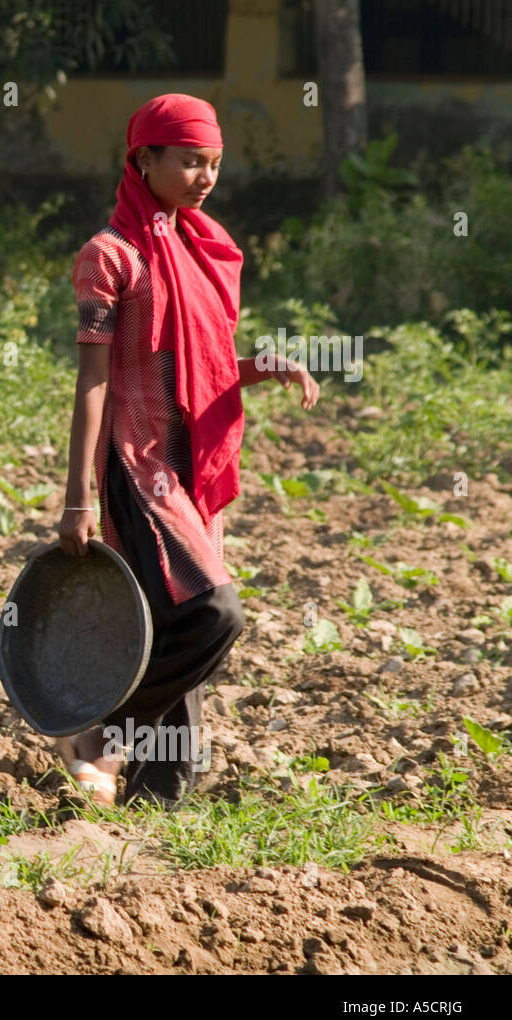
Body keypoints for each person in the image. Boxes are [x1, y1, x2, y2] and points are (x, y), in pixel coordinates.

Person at [56, 93, 319, 807]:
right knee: (212, 614)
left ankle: (157, 797)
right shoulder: (107, 258)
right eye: (190, 161)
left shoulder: (202, 248)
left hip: (189, 468)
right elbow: (94, 383)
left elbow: (204, 364)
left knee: (176, 622)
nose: (205, 176)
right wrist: (78, 495)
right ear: (144, 159)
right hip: (138, 466)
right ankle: (99, 740)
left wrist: (264, 366)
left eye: (214, 163)